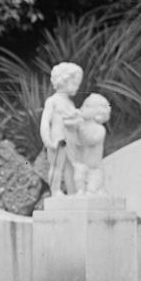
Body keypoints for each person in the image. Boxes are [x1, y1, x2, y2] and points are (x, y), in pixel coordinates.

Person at [39, 62, 83, 197]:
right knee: (57, 166)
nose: (77, 87)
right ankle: (55, 190)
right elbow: (45, 122)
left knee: (70, 167)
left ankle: (72, 192)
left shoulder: (70, 103)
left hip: (71, 140)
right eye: (74, 83)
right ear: (64, 82)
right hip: (58, 140)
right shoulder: (53, 101)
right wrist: (47, 140)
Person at [63, 92, 111, 196]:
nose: (82, 108)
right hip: (83, 165)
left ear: (98, 113)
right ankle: (80, 191)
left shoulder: (100, 129)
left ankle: (93, 192)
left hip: (94, 169)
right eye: (84, 105)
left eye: (87, 106)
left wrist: (80, 126)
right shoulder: (81, 125)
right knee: (78, 179)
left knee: (92, 189)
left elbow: (89, 140)